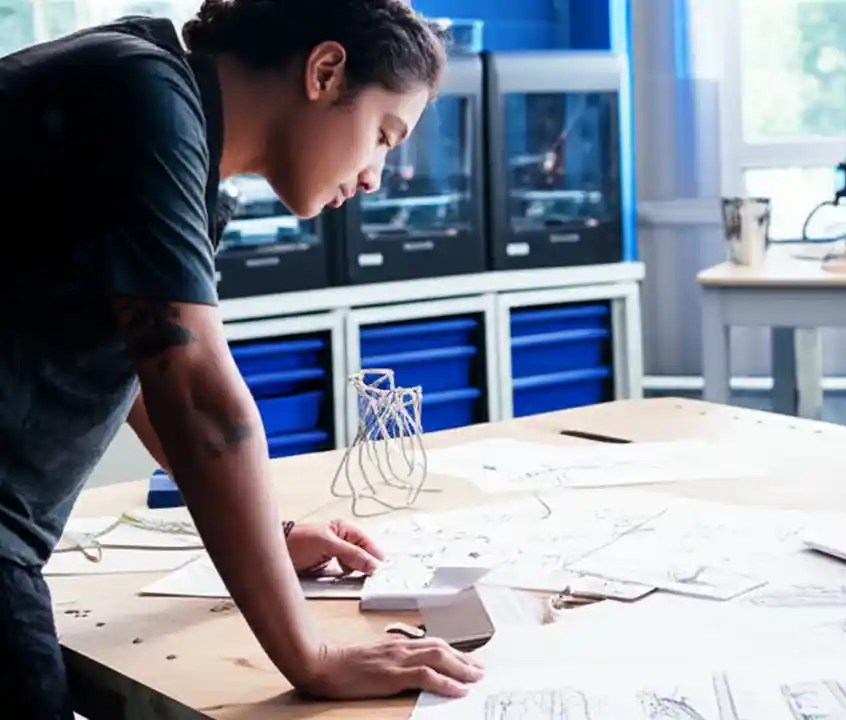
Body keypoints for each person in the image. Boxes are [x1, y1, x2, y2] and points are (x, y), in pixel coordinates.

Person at [0, 1, 485, 716]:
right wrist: (313, 656)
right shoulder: (143, 100)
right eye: (384, 135)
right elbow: (199, 403)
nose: (378, 174)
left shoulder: (149, 90)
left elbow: (136, 368)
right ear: (325, 71)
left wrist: (272, 541)